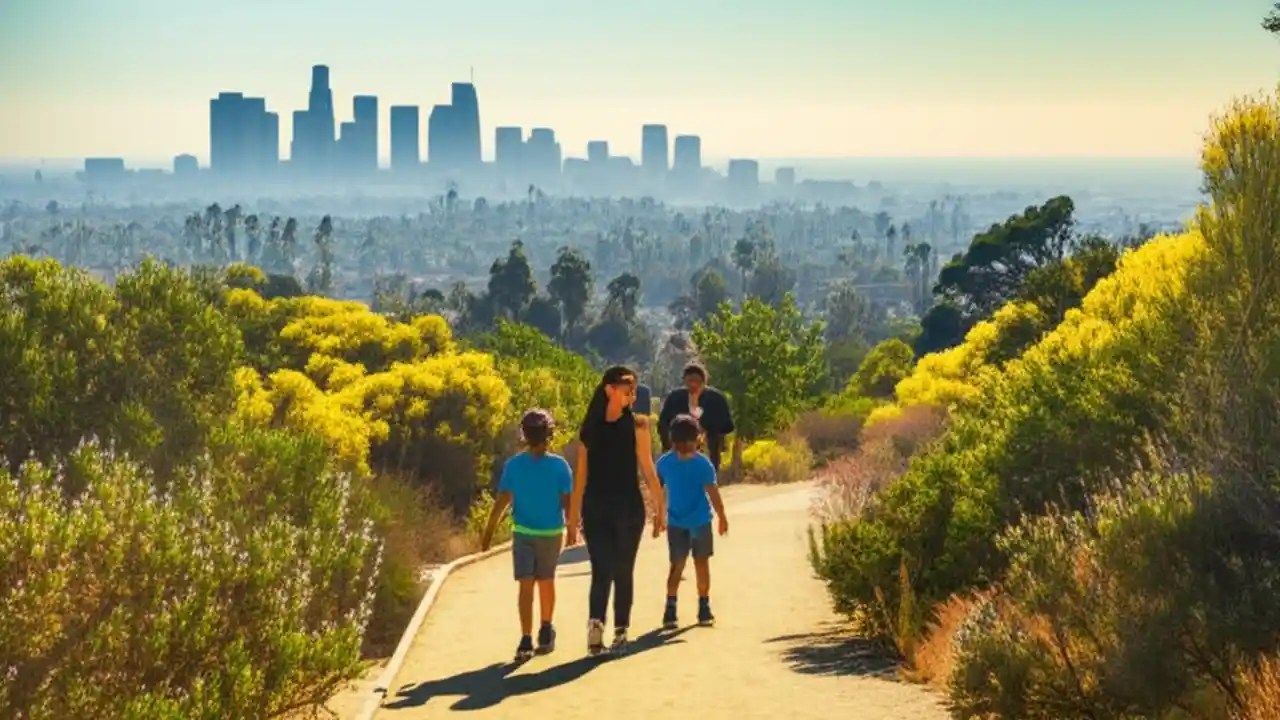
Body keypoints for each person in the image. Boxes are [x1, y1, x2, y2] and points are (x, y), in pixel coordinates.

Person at [567, 366, 667, 656]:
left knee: (624, 569)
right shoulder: (590, 430)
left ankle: (621, 631)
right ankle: (596, 628)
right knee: (601, 569)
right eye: (627, 390)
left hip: (629, 508)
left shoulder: (638, 426)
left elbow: (648, 470)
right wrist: (572, 521)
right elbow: (581, 477)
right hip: (596, 507)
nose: (632, 395)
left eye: (634, 390)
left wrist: (659, 508)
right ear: (610, 390)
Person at [481, 409, 573, 661]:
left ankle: (526, 638)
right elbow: (567, 502)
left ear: (524, 434)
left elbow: (501, 502)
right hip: (551, 532)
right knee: (546, 581)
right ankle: (545, 628)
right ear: (550, 435)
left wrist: (488, 533)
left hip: (523, 532)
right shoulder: (559, 466)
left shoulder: (514, 466)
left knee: (526, 584)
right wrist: (574, 528)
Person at [657, 414, 729, 629]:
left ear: (698, 438)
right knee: (677, 564)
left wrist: (722, 516)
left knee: (701, 562)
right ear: (672, 441)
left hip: (700, 520)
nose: (686, 447)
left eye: (690, 442)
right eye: (681, 443)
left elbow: (713, 492)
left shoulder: (703, 465)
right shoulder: (664, 464)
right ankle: (671, 607)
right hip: (676, 522)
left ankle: (704, 605)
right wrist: (658, 516)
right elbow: (658, 491)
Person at [658, 362, 735, 472]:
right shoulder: (675, 398)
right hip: (678, 455)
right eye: (690, 381)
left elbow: (727, 426)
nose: (693, 386)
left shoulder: (716, 399)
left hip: (708, 455)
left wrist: (707, 430)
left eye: (697, 382)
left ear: (704, 382)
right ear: (684, 381)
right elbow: (663, 425)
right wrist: (670, 445)